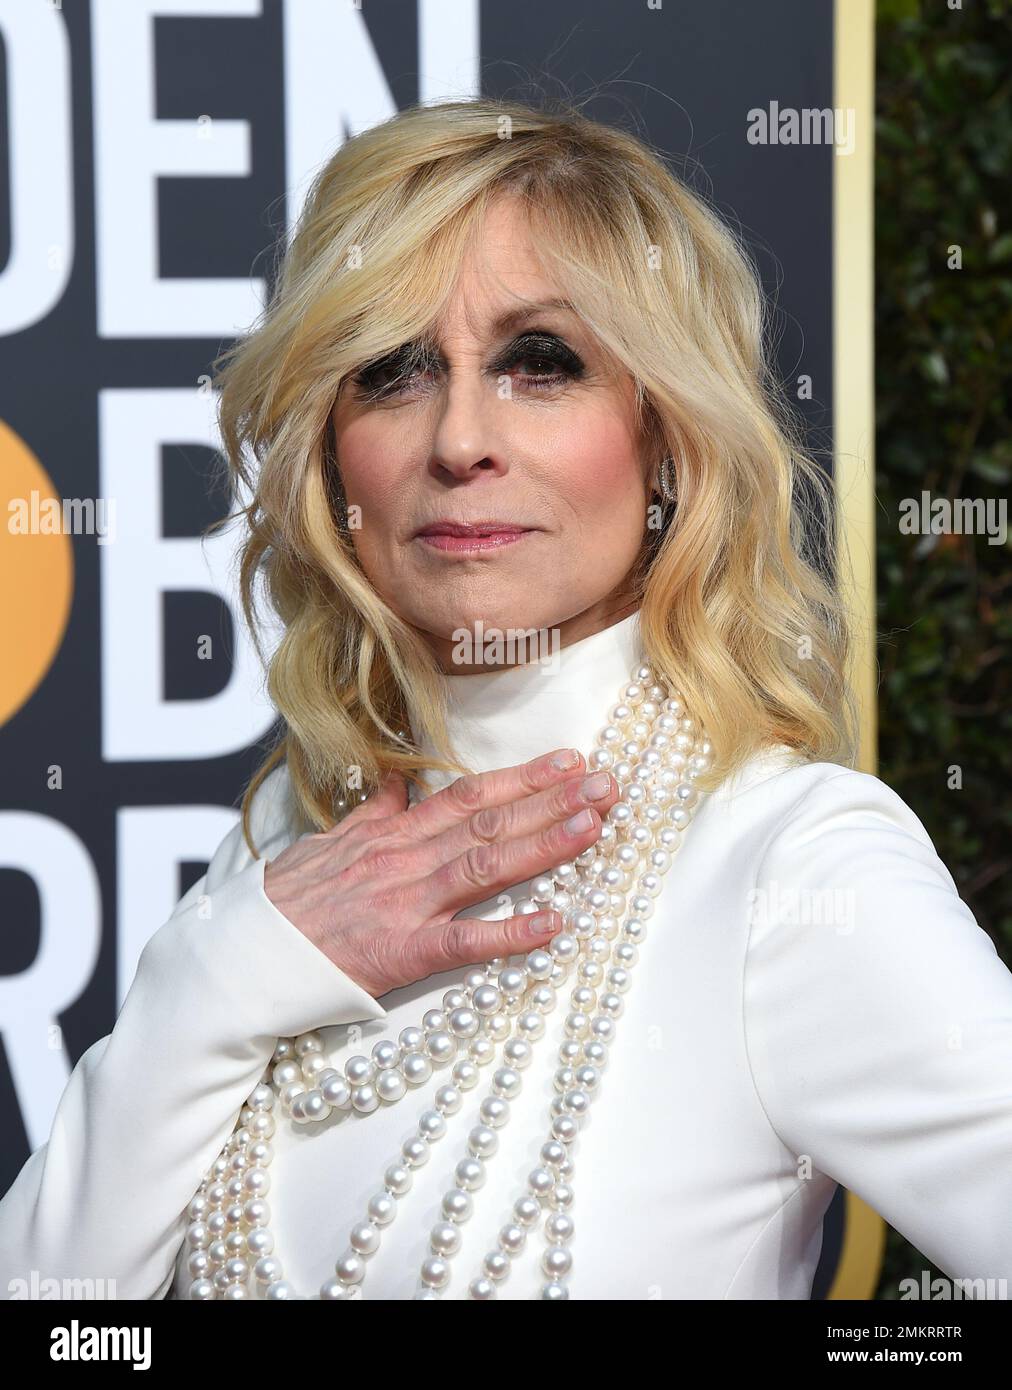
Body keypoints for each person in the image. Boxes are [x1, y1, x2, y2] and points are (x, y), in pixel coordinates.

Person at [2, 97, 1010, 1302]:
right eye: (393, 370)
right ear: (331, 451)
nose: (461, 438)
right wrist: (210, 982)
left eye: (543, 363)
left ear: (668, 438)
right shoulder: (282, 856)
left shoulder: (786, 868)